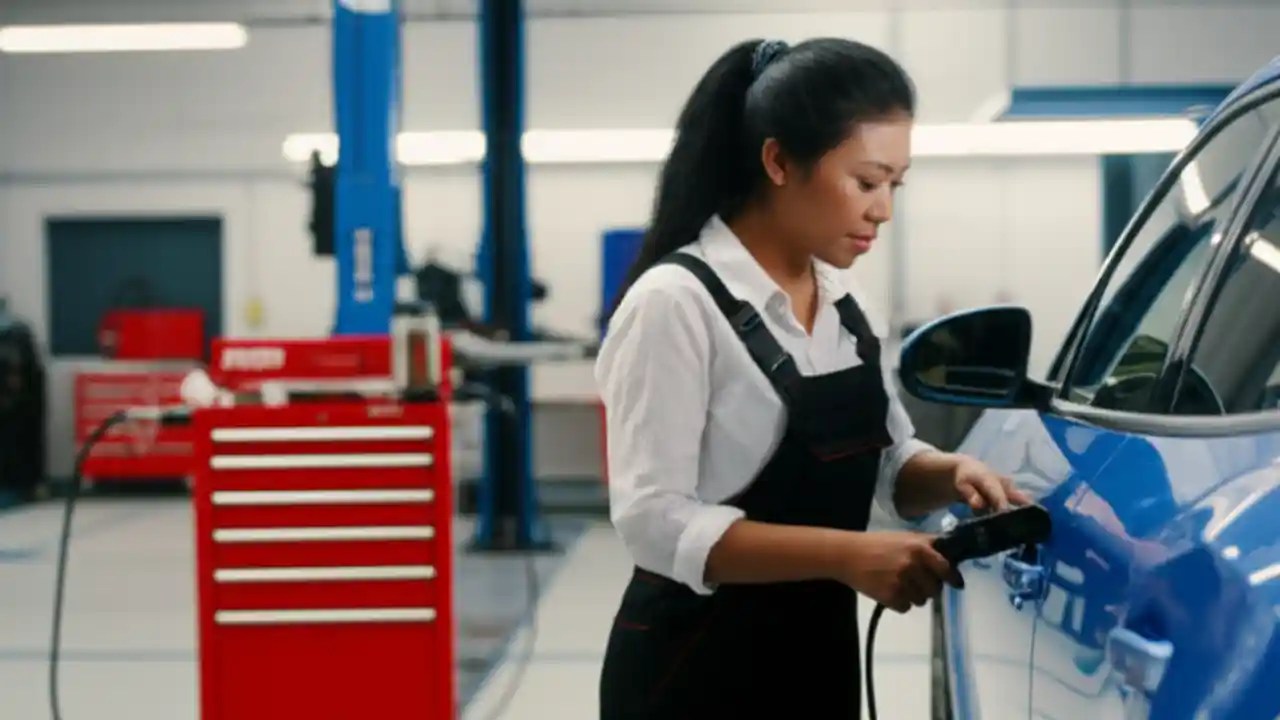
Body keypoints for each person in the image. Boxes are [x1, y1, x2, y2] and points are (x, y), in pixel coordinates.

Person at [594, 37, 1031, 718]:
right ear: (778, 161)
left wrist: (948, 472)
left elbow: (887, 458)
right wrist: (847, 556)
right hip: (694, 672)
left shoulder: (846, 306)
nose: (883, 209)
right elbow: (654, 520)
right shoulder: (675, 303)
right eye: (865, 181)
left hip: (815, 660)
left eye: (895, 184)